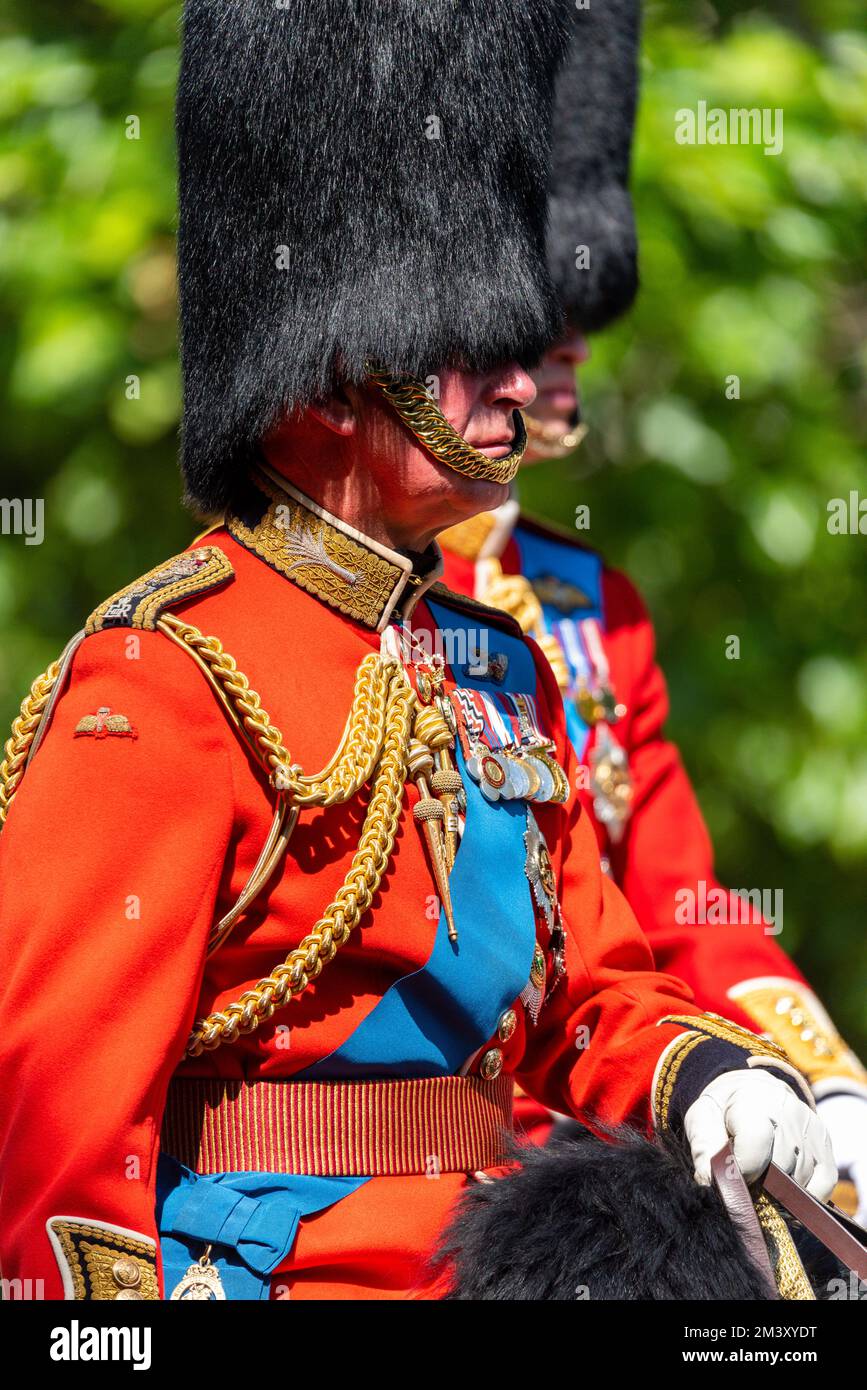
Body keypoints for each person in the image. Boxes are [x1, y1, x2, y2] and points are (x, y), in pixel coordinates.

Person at [0, 1, 836, 1302]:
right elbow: (59, 1128)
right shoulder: (157, 682)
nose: (522, 385)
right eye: (475, 353)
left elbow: (593, 993)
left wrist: (710, 1072)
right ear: (338, 378)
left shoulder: (500, 664)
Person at [439, 0, 867, 1222]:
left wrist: (820, 1073)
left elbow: (676, 897)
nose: (568, 343)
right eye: (536, 316)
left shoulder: (592, 608)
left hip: (613, 1122)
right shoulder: (369, 598)